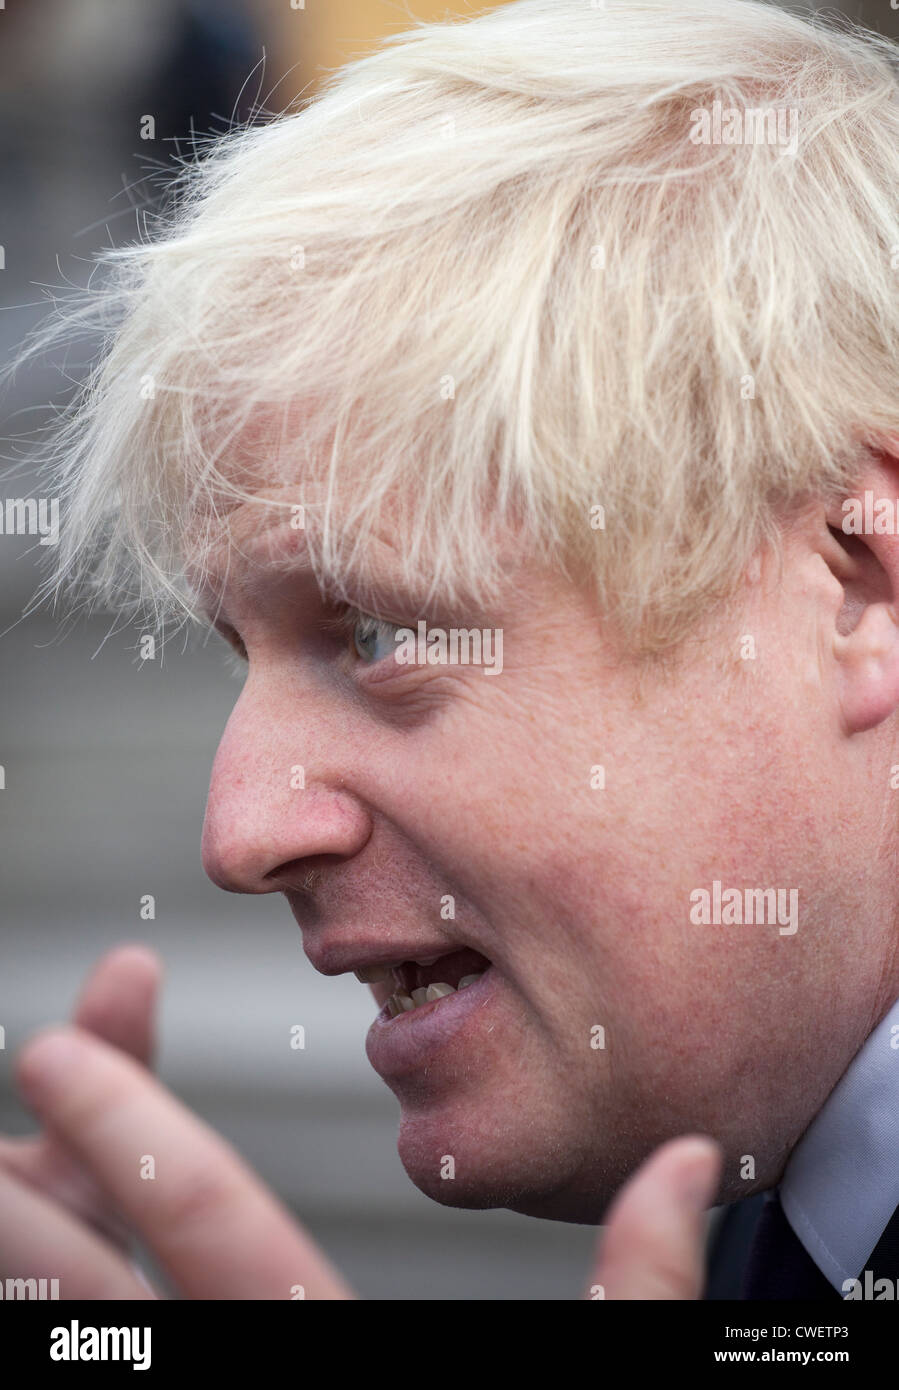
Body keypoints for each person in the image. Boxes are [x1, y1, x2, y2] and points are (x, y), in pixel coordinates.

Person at [4, 0, 899, 1299]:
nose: (242, 829)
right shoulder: (764, 1214)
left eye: (375, 631)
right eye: (235, 650)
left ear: (854, 586)